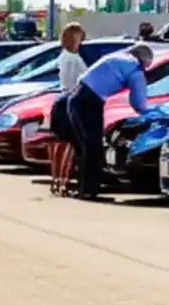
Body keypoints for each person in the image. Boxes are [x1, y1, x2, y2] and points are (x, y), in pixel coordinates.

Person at [66, 43, 155, 200]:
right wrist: (150, 113)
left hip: (75, 97)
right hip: (90, 101)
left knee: (84, 147)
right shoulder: (135, 68)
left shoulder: (116, 57)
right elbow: (139, 103)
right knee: (93, 147)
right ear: (144, 60)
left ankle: (81, 187)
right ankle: (89, 190)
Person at [49, 22, 87, 196]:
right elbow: (78, 82)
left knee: (59, 143)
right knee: (69, 145)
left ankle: (56, 179)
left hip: (61, 99)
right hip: (71, 100)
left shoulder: (63, 56)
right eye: (78, 36)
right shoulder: (73, 59)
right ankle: (63, 180)